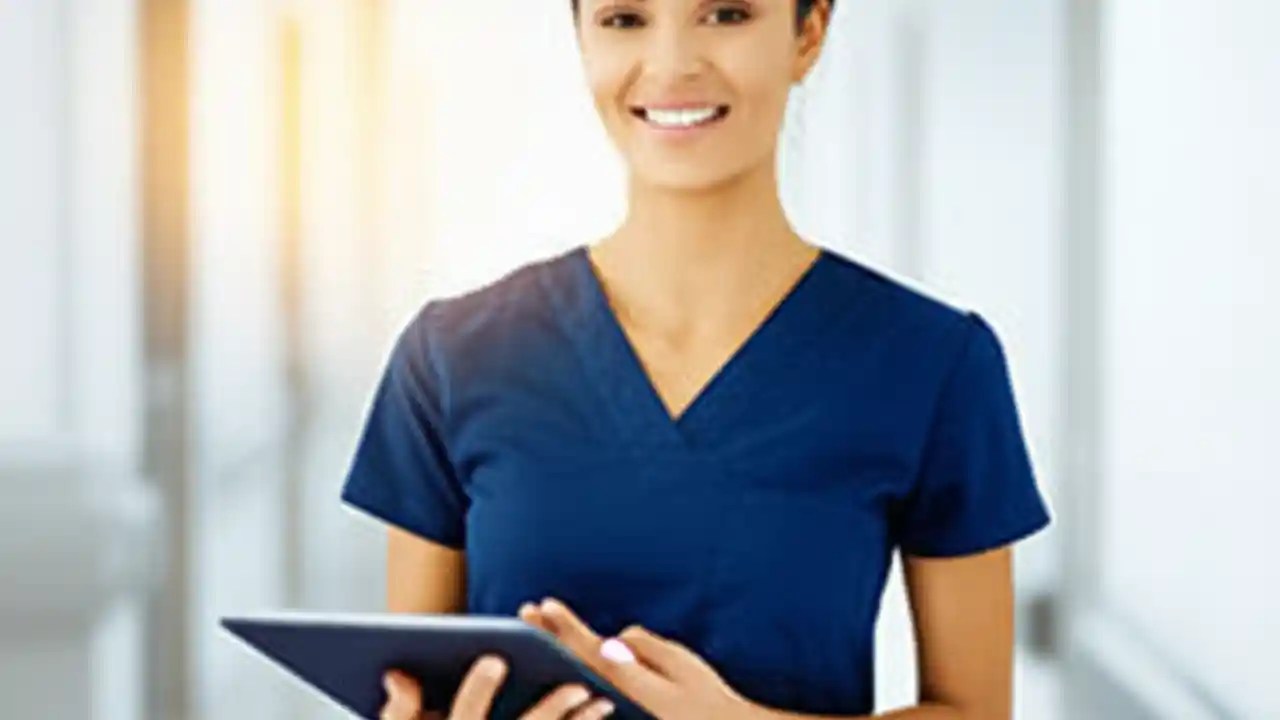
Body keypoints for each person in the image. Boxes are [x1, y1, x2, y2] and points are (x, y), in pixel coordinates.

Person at [341, 0, 1052, 717]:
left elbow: (976, 711)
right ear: (581, 38)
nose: (673, 62)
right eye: (624, 20)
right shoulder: (452, 356)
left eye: (726, 14)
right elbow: (415, 691)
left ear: (808, 34)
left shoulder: (933, 363)